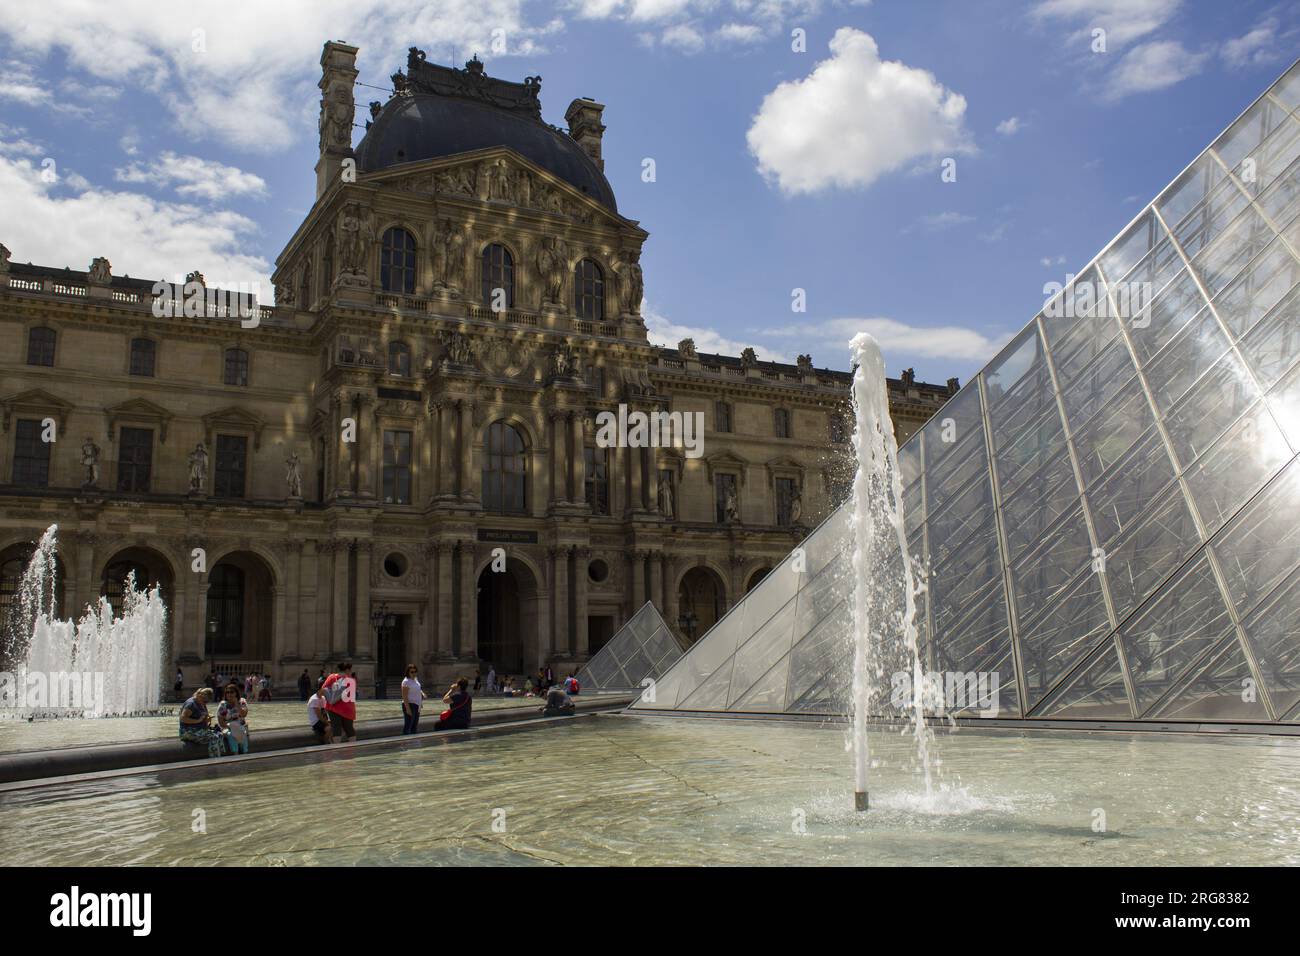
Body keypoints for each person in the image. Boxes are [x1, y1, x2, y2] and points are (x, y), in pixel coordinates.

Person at [178, 687, 223, 758]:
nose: (205, 703)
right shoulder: (191, 704)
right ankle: (215, 759)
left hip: (199, 730)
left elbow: (204, 715)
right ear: (200, 695)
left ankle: (222, 756)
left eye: (207, 702)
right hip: (188, 732)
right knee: (214, 738)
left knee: (220, 734)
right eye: (205, 701)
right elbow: (183, 718)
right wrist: (198, 720)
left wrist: (207, 719)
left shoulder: (201, 703)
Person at [322, 661, 357, 742]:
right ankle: (352, 749)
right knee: (349, 729)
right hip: (348, 709)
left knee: (336, 728)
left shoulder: (332, 677)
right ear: (347, 670)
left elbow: (324, 690)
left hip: (334, 708)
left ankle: (337, 749)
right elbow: (351, 695)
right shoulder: (352, 680)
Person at [217, 683, 250, 754]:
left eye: (232, 692)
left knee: (242, 732)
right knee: (231, 735)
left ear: (236, 693)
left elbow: (243, 714)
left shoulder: (242, 701)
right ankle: (235, 753)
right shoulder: (223, 704)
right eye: (227, 692)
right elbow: (221, 722)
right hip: (228, 728)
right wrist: (231, 727)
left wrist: (236, 704)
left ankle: (244, 752)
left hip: (241, 727)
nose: (229, 694)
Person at [400, 664, 426, 734]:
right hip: (410, 705)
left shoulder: (415, 679)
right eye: (412, 672)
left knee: (414, 727)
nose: (414, 673)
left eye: (415, 671)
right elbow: (404, 696)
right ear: (408, 672)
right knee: (408, 726)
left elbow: (418, 688)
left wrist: (422, 693)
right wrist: (407, 709)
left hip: (417, 705)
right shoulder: (406, 681)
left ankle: (413, 743)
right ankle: (405, 742)